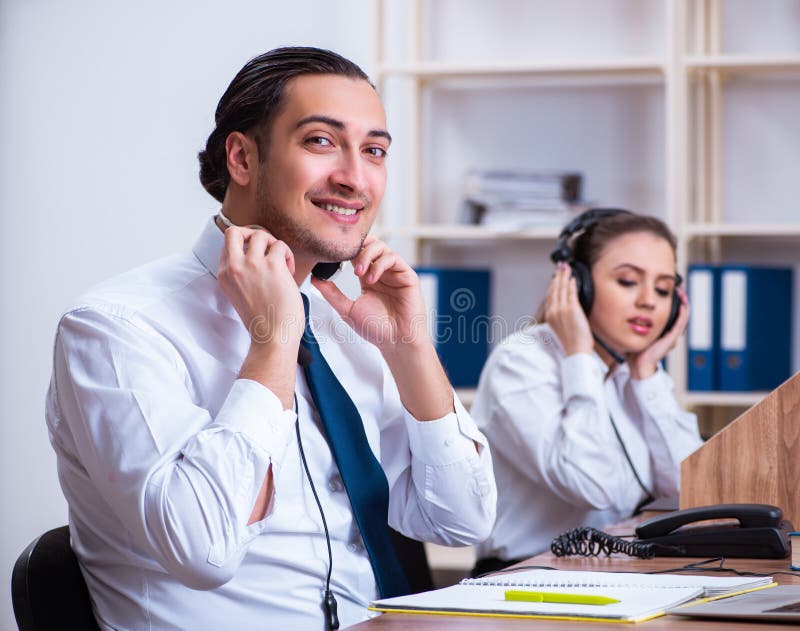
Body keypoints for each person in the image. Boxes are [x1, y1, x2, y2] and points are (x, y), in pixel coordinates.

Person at [46, 46, 497, 630]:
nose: (354, 177)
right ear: (241, 157)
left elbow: (463, 521)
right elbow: (203, 551)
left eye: (374, 151)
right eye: (320, 141)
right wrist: (273, 344)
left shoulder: (347, 322)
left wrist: (410, 349)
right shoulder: (116, 327)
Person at [470, 208, 702, 576]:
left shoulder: (631, 371)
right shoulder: (520, 362)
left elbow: (691, 487)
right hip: (529, 580)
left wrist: (647, 375)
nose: (649, 301)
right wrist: (579, 356)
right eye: (628, 281)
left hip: (618, 576)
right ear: (577, 283)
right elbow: (593, 486)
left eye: (662, 289)